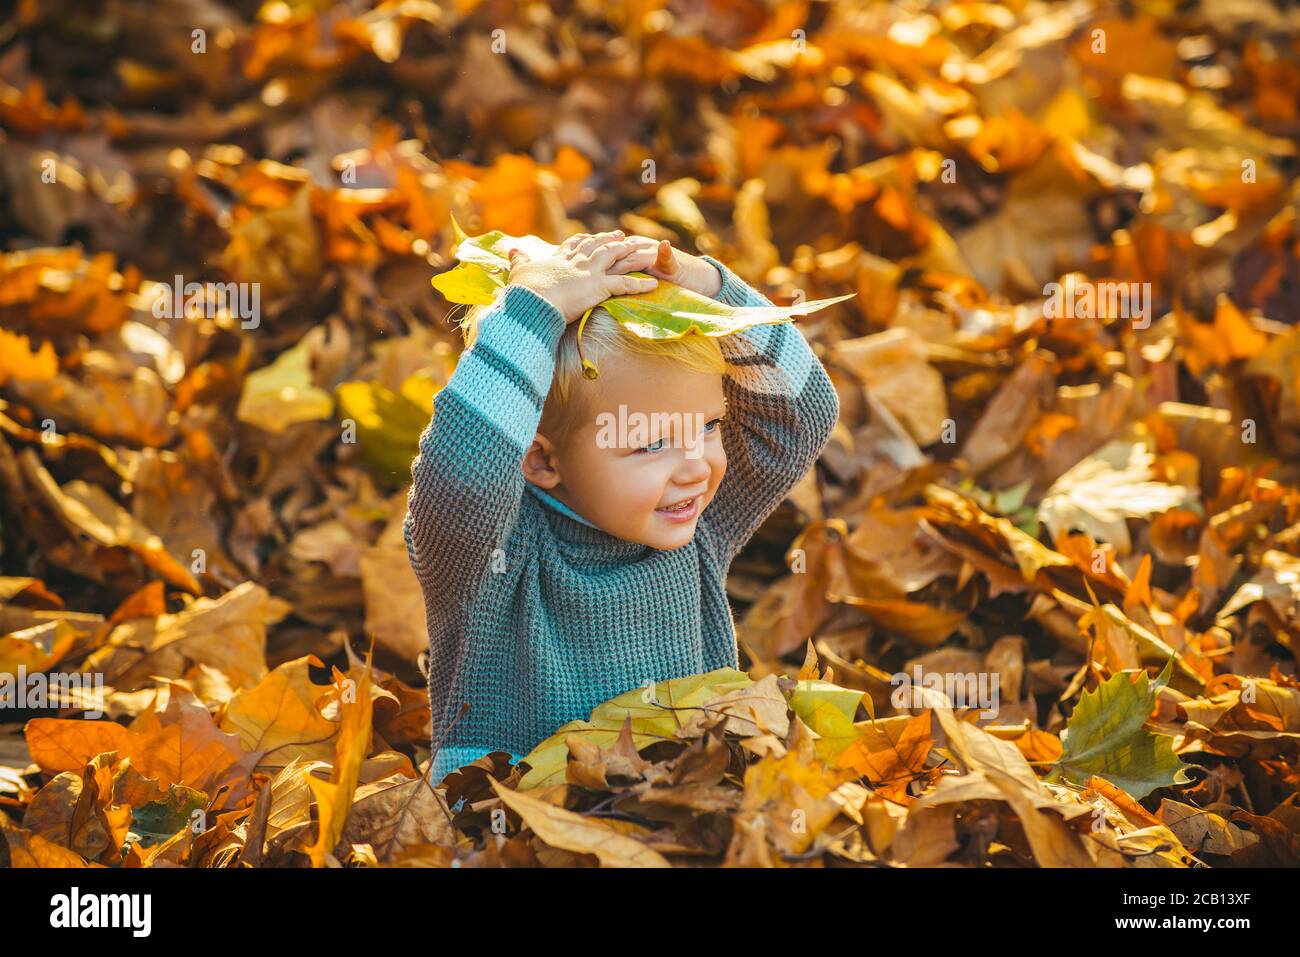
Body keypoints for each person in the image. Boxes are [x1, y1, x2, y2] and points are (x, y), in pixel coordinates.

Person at [404, 229, 840, 782]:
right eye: (650, 442)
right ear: (541, 462)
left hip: (681, 808)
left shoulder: (696, 525)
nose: (695, 465)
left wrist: (705, 286)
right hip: (515, 822)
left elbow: (804, 413)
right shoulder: (493, 558)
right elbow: (463, 474)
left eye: (708, 426)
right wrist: (531, 311)